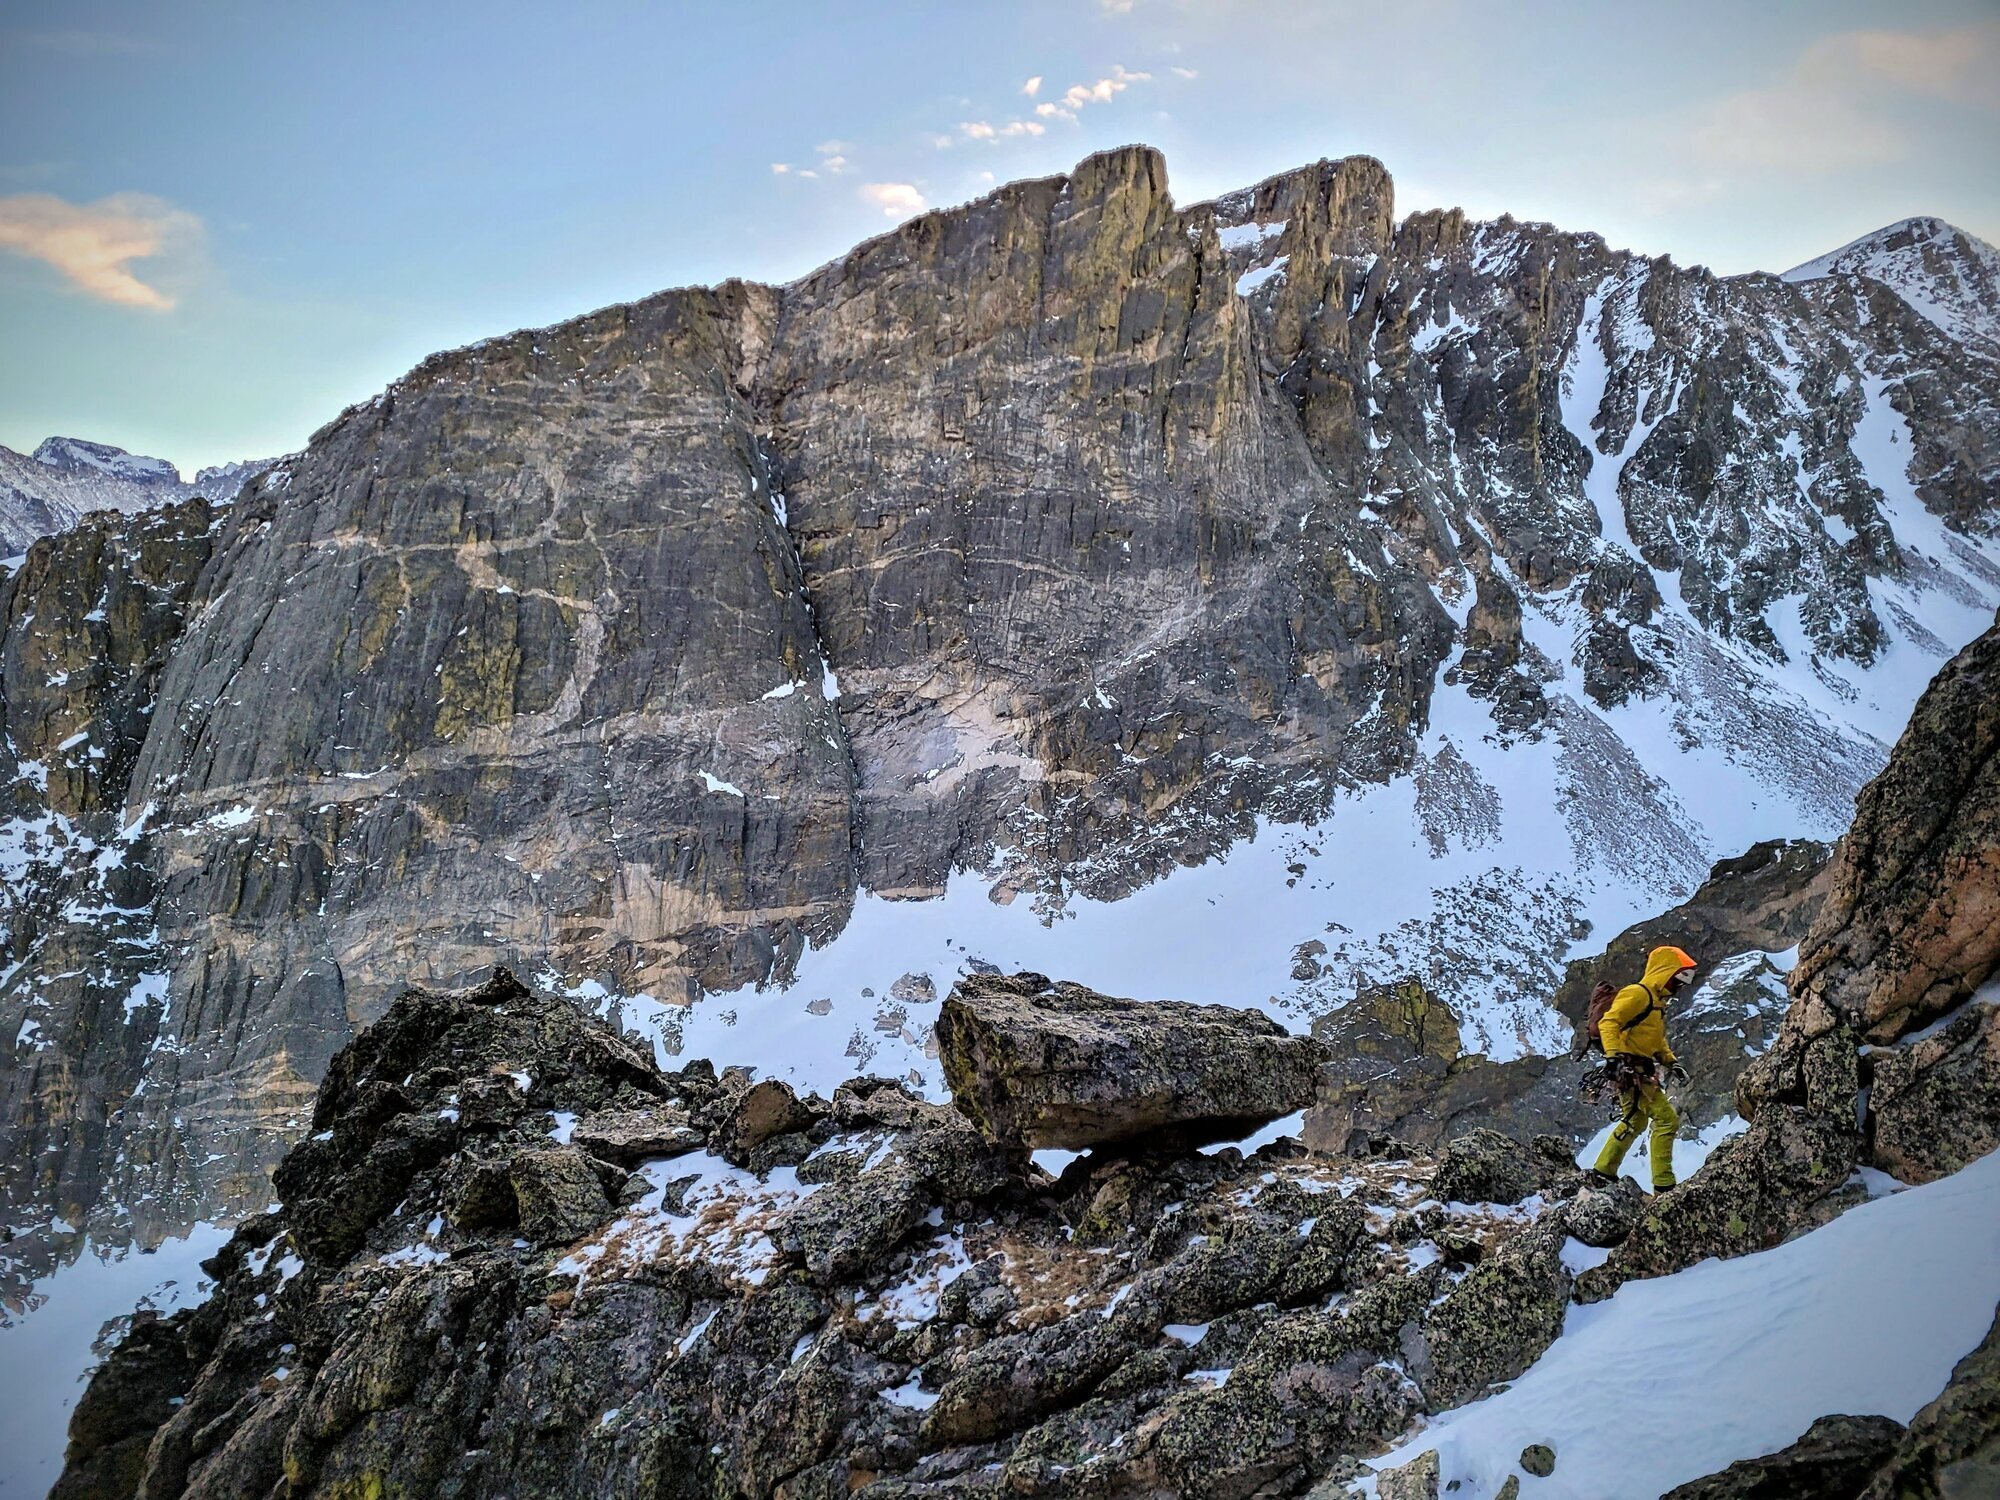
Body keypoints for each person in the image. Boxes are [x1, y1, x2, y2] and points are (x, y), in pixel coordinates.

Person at [1589, 945, 1696, 1191]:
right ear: (1665, 973)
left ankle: (1603, 1170)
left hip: (1634, 1070)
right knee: (1666, 1119)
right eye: (1678, 979)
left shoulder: (1656, 1003)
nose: (1679, 986)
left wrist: (1672, 1062)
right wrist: (1614, 1058)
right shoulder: (1639, 994)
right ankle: (1664, 1185)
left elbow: (1655, 1040)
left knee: (1634, 1121)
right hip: (1631, 1071)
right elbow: (1609, 1022)